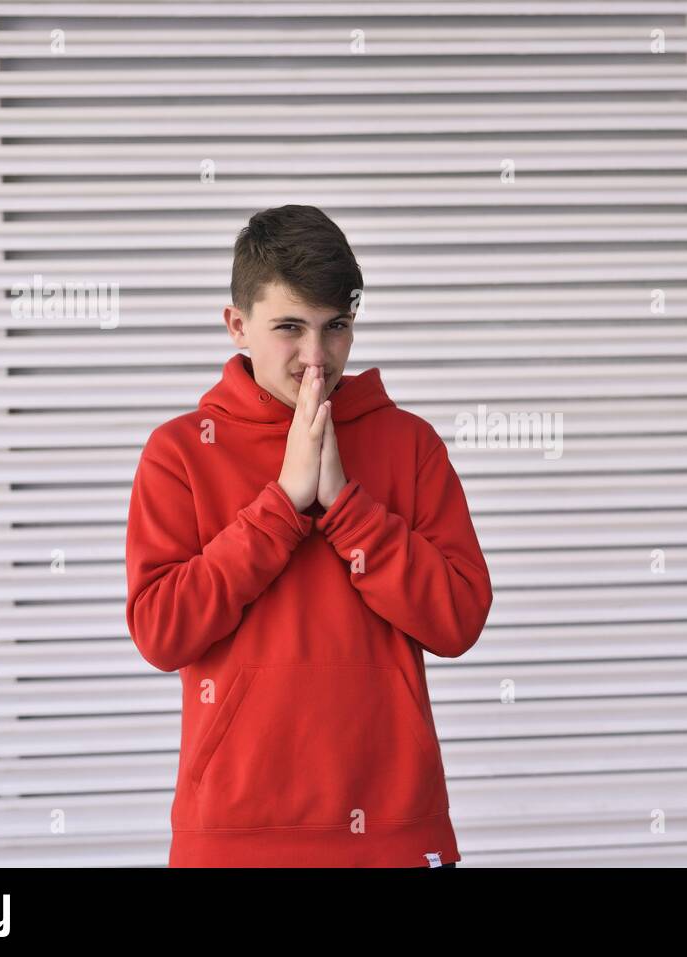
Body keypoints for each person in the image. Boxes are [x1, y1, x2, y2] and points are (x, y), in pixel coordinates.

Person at [124, 205, 493, 867]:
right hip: (233, 840)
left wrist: (346, 506)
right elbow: (161, 629)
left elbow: (459, 617)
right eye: (289, 328)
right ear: (237, 325)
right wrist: (284, 503)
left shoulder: (408, 444)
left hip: (394, 831)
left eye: (336, 328)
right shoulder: (179, 452)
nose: (315, 356)